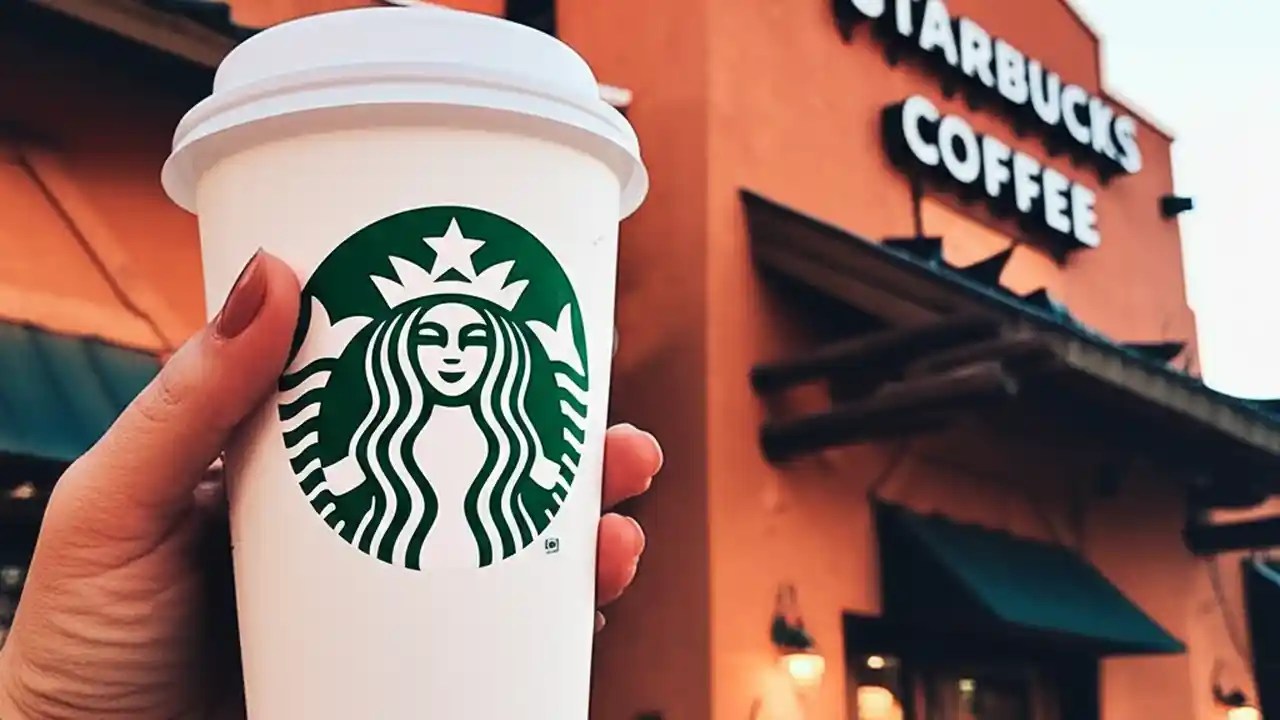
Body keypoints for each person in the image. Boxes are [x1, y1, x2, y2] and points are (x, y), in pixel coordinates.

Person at [0, 252, 661, 719]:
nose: (455, 354)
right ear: (398, 348)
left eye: (474, 338)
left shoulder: (515, 464)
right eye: (433, 336)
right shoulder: (363, 461)